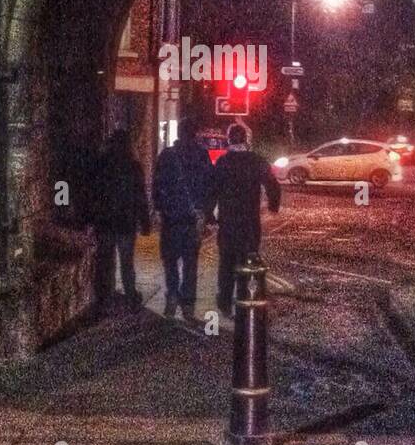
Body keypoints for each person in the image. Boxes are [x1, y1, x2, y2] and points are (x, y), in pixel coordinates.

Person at [209, 122, 281, 315]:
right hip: (249, 222)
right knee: (247, 260)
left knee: (226, 262)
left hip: (228, 221)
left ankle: (224, 300)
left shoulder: (223, 162)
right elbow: (273, 185)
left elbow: (212, 190)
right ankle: (243, 298)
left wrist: (209, 214)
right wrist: (274, 204)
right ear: (246, 140)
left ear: (229, 139)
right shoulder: (256, 161)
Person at [152, 119, 214, 320]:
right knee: (190, 263)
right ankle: (188, 304)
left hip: (171, 217)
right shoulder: (202, 155)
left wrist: (160, 208)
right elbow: (209, 185)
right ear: (195, 133)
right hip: (192, 218)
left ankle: (172, 296)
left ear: (179, 132)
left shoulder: (167, 155)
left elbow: (157, 185)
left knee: (170, 260)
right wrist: (205, 211)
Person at [90, 127, 151, 313]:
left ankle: (103, 298)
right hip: (125, 222)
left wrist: (91, 217)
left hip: (106, 221)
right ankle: (131, 296)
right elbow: (140, 196)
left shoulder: (101, 164)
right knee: (126, 262)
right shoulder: (133, 166)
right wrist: (144, 221)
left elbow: (94, 193)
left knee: (104, 260)